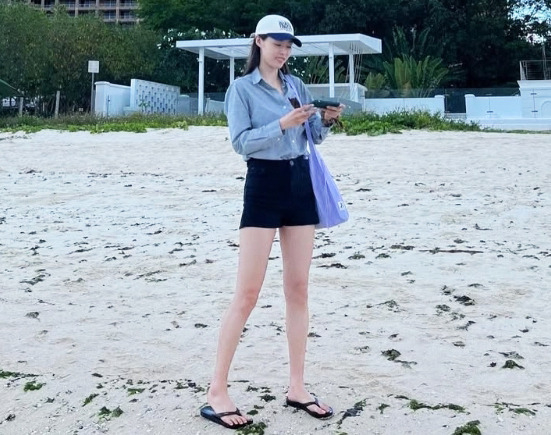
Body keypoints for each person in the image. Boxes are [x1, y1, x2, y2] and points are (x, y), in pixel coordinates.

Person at [200, 14, 344, 430]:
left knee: (298, 289)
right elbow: (241, 142)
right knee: (247, 293)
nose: (282, 51)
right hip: (263, 184)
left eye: (288, 45)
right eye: (276, 43)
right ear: (258, 41)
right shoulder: (241, 89)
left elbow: (312, 137)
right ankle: (216, 391)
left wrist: (325, 120)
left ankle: (297, 387)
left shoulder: (296, 86)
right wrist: (282, 124)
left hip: (300, 184)